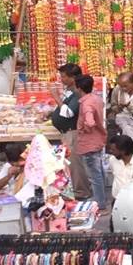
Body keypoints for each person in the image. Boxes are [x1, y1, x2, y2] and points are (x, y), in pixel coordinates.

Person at [49, 63, 90, 200]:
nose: (62, 79)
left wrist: (56, 97)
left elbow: (68, 112)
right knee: (70, 163)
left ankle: (81, 192)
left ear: (73, 78)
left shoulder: (76, 93)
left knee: (75, 164)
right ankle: (76, 190)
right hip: (67, 132)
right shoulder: (71, 91)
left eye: (64, 77)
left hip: (72, 133)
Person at [74, 74, 108, 209]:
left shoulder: (86, 103)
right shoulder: (96, 99)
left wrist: (84, 128)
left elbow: (90, 121)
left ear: (79, 88)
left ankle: (100, 204)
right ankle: (102, 199)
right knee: (99, 172)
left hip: (89, 143)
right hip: (99, 139)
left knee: (95, 175)